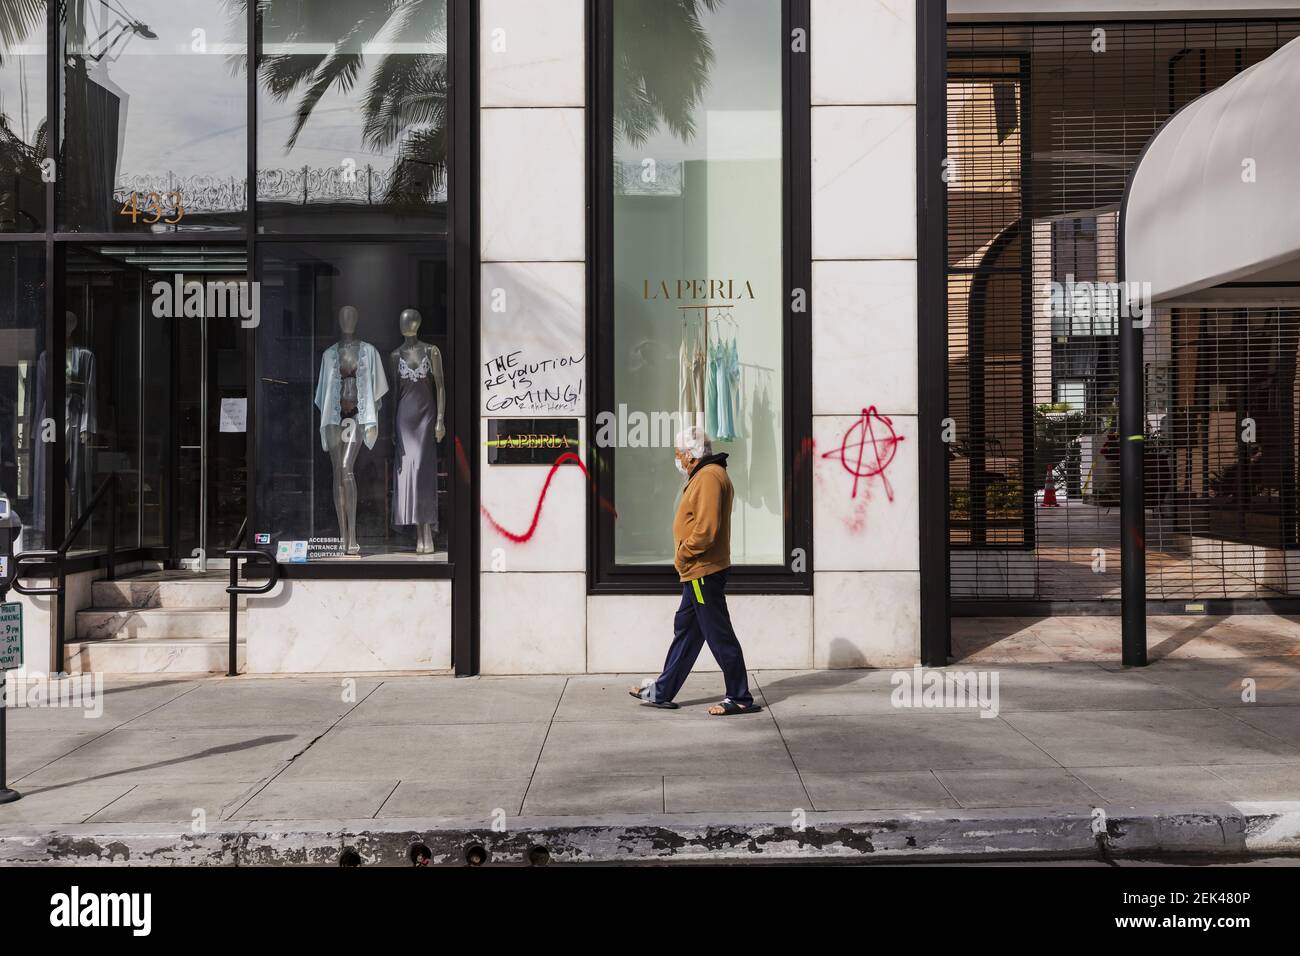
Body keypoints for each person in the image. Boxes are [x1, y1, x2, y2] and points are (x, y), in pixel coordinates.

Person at [629, 427, 759, 715]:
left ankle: (740, 696)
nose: (677, 460)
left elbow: (707, 529)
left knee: (718, 633)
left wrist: (683, 554)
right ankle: (662, 691)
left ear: (691, 455)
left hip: (702, 570)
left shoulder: (710, 478)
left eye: (679, 454)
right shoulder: (704, 475)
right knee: (686, 631)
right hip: (697, 571)